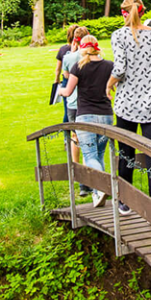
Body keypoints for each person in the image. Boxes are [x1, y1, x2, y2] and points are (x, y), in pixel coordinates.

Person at [108, 0, 151, 215]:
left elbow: (119, 69)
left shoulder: (119, 35)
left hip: (126, 105)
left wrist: (108, 85)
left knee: (126, 153)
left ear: (123, 12)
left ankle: (124, 201)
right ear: (143, 11)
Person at [58, 34, 113, 208]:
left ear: (82, 47)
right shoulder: (110, 66)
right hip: (106, 115)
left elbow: (68, 92)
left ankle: (102, 187)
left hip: (86, 116)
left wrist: (59, 91)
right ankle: (98, 193)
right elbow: (115, 87)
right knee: (99, 155)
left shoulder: (78, 67)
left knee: (89, 155)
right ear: (97, 46)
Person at [56, 25, 90, 197]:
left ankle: (77, 171)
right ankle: (89, 177)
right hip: (90, 103)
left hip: (73, 102)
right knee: (90, 139)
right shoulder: (98, 57)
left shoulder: (69, 57)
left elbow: (66, 76)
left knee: (75, 137)